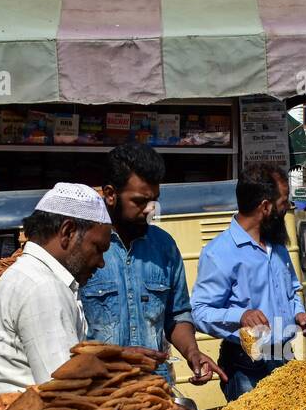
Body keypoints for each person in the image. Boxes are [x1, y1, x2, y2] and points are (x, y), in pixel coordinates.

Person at [80, 142, 224, 387]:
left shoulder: (164, 246)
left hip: (155, 388)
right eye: (139, 201)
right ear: (111, 194)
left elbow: (177, 314)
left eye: (154, 201)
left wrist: (192, 352)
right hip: (99, 392)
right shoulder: (83, 248)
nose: (149, 210)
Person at [0, 183, 123, 395]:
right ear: (68, 231)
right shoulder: (43, 287)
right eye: (98, 248)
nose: (101, 262)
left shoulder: (28, 275)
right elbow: (66, 390)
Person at [191, 164, 306, 399]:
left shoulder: (278, 248)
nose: (287, 208)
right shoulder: (219, 253)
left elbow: (292, 292)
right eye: (284, 202)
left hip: (283, 359)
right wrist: (240, 316)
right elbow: (199, 312)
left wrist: (298, 314)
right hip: (245, 367)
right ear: (266, 207)